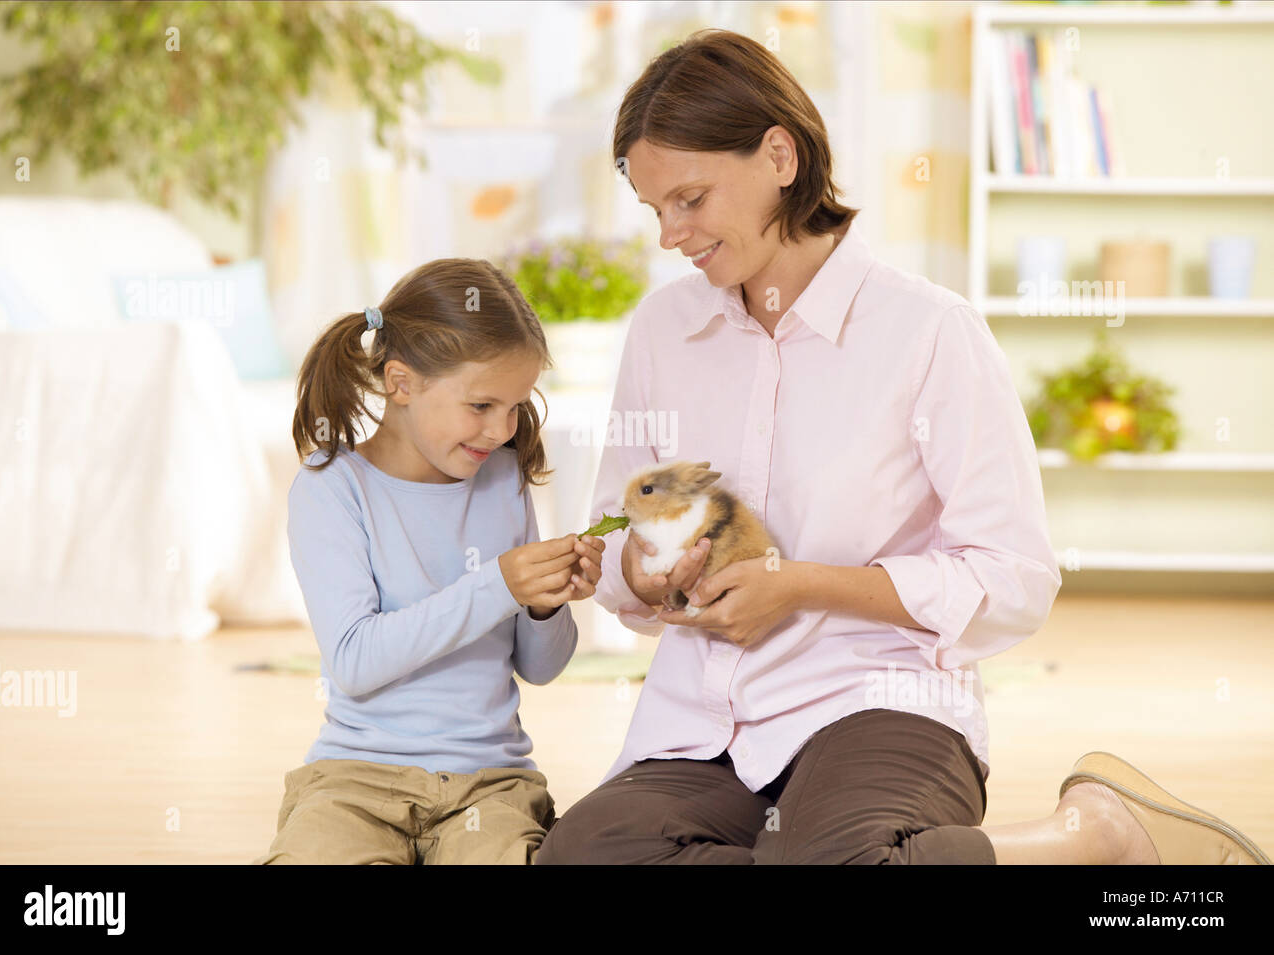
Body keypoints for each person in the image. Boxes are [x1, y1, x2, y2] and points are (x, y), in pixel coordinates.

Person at [535, 29, 1269, 865]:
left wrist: (801, 587)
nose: (670, 234)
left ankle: (1092, 836)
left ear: (779, 155)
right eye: (655, 208)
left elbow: (1014, 576)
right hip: (705, 719)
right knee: (578, 857)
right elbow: (616, 528)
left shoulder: (929, 332)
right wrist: (643, 571)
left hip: (878, 700)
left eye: (691, 199)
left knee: (831, 855)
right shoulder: (665, 331)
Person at [254, 258, 606, 864]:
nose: (502, 429)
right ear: (401, 383)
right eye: (481, 405)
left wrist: (545, 607)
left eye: (516, 406)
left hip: (490, 784)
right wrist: (499, 585)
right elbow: (356, 660)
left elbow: (540, 669)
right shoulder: (333, 487)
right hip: (354, 782)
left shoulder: (503, 481)